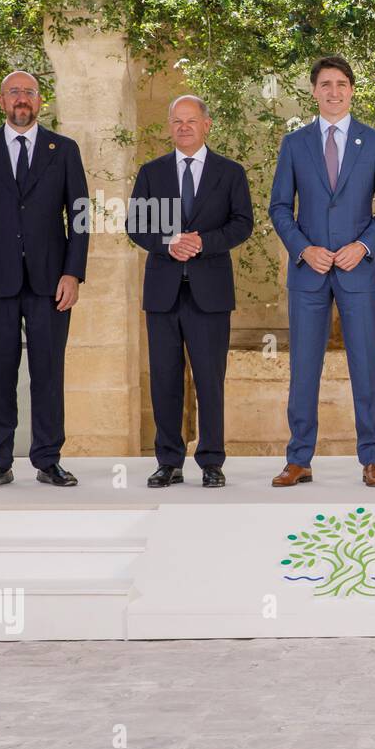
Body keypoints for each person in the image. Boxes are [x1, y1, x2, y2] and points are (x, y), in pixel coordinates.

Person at [268, 56, 375, 488]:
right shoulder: (294, 144)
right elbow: (279, 208)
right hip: (309, 273)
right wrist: (304, 250)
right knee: (303, 368)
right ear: (313, 91)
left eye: (342, 83)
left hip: (356, 271)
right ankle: (299, 458)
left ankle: (372, 459)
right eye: (325, 84)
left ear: (352, 89)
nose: (334, 91)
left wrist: (362, 247)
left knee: (366, 365)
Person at [0, 70, 89, 489]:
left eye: (28, 92)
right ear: (1, 101)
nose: (21, 99)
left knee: (48, 371)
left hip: (51, 283)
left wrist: (73, 272)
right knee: (0, 372)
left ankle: (48, 461)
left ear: (39, 100)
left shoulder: (63, 150)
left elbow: (80, 216)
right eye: (13, 92)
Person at [126, 95, 253, 488]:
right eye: (177, 121)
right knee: (164, 377)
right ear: (169, 126)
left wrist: (203, 242)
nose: (184, 127)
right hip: (163, 292)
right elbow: (136, 225)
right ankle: (169, 461)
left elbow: (242, 224)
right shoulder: (152, 172)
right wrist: (169, 241)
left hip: (210, 293)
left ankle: (212, 460)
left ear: (206, 125)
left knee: (210, 379)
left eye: (191, 121)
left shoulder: (230, 172)